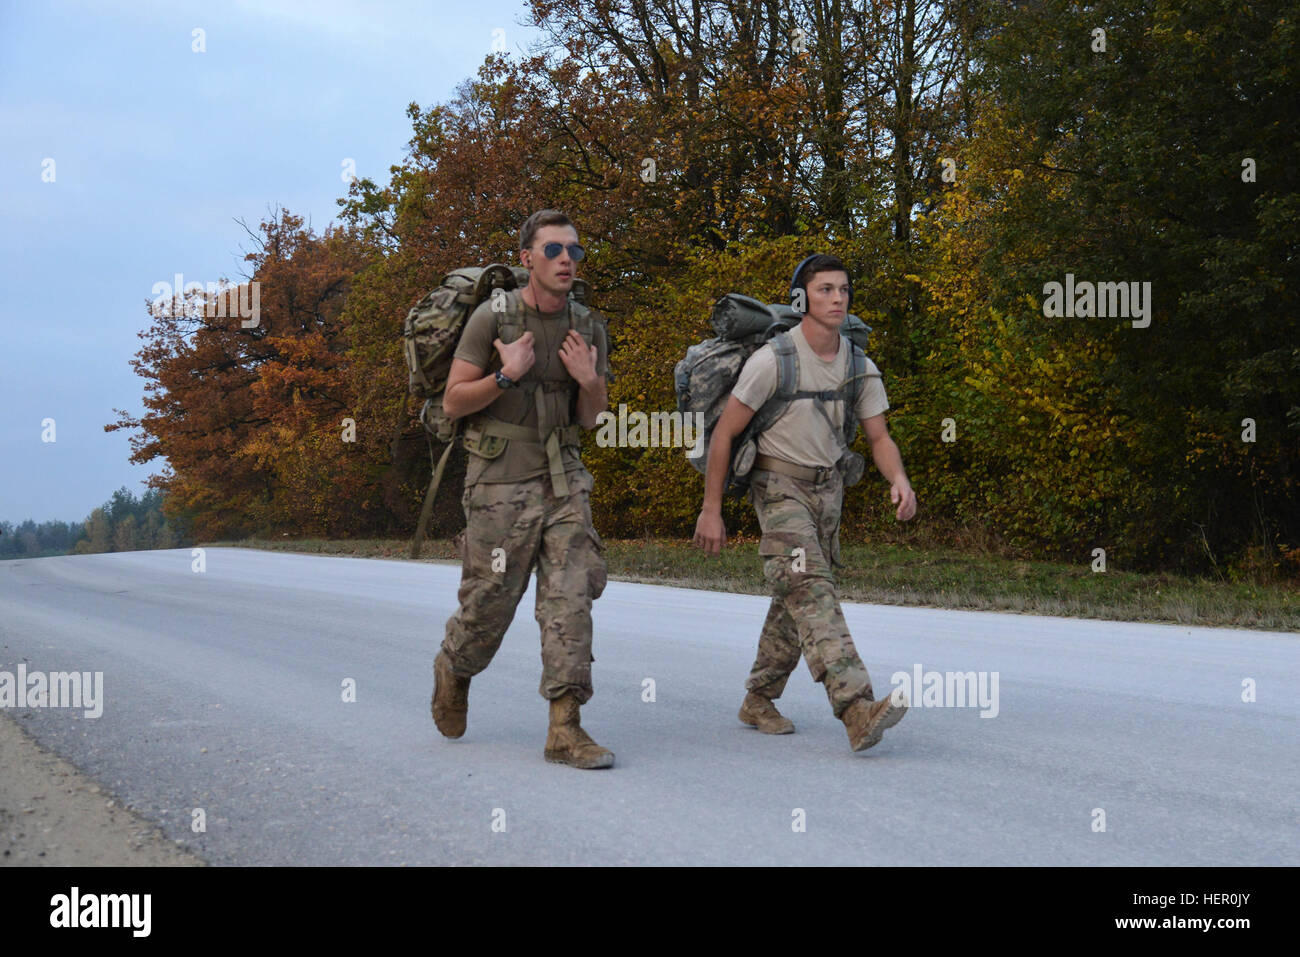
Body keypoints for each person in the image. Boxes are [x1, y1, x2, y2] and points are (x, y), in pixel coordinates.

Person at [692, 253, 918, 752]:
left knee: (793, 597)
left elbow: (879, 438)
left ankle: (758, 697)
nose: (837, 298)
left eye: (843, 290)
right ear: (803, 299)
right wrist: (712, 509)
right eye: (824, 290)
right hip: (778, 489)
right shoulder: (773, 360)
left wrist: (898, 479)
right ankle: (856, 707)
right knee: (812, 589)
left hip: (828, 492)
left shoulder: (859, 365)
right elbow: (725, 435)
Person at [431, 209, 614, 769]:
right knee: (489, 603)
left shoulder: (587, 325)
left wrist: (590, 381)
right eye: (554, 250)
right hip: (499, 482)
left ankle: (565, 726)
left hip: (564, 480)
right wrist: (505, 376)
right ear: (528, 258)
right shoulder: (493, 317)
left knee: (570, 599)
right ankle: (455, 668)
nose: (566, 260)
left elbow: (592, 418)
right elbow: (453, 402)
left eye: (574, 252)